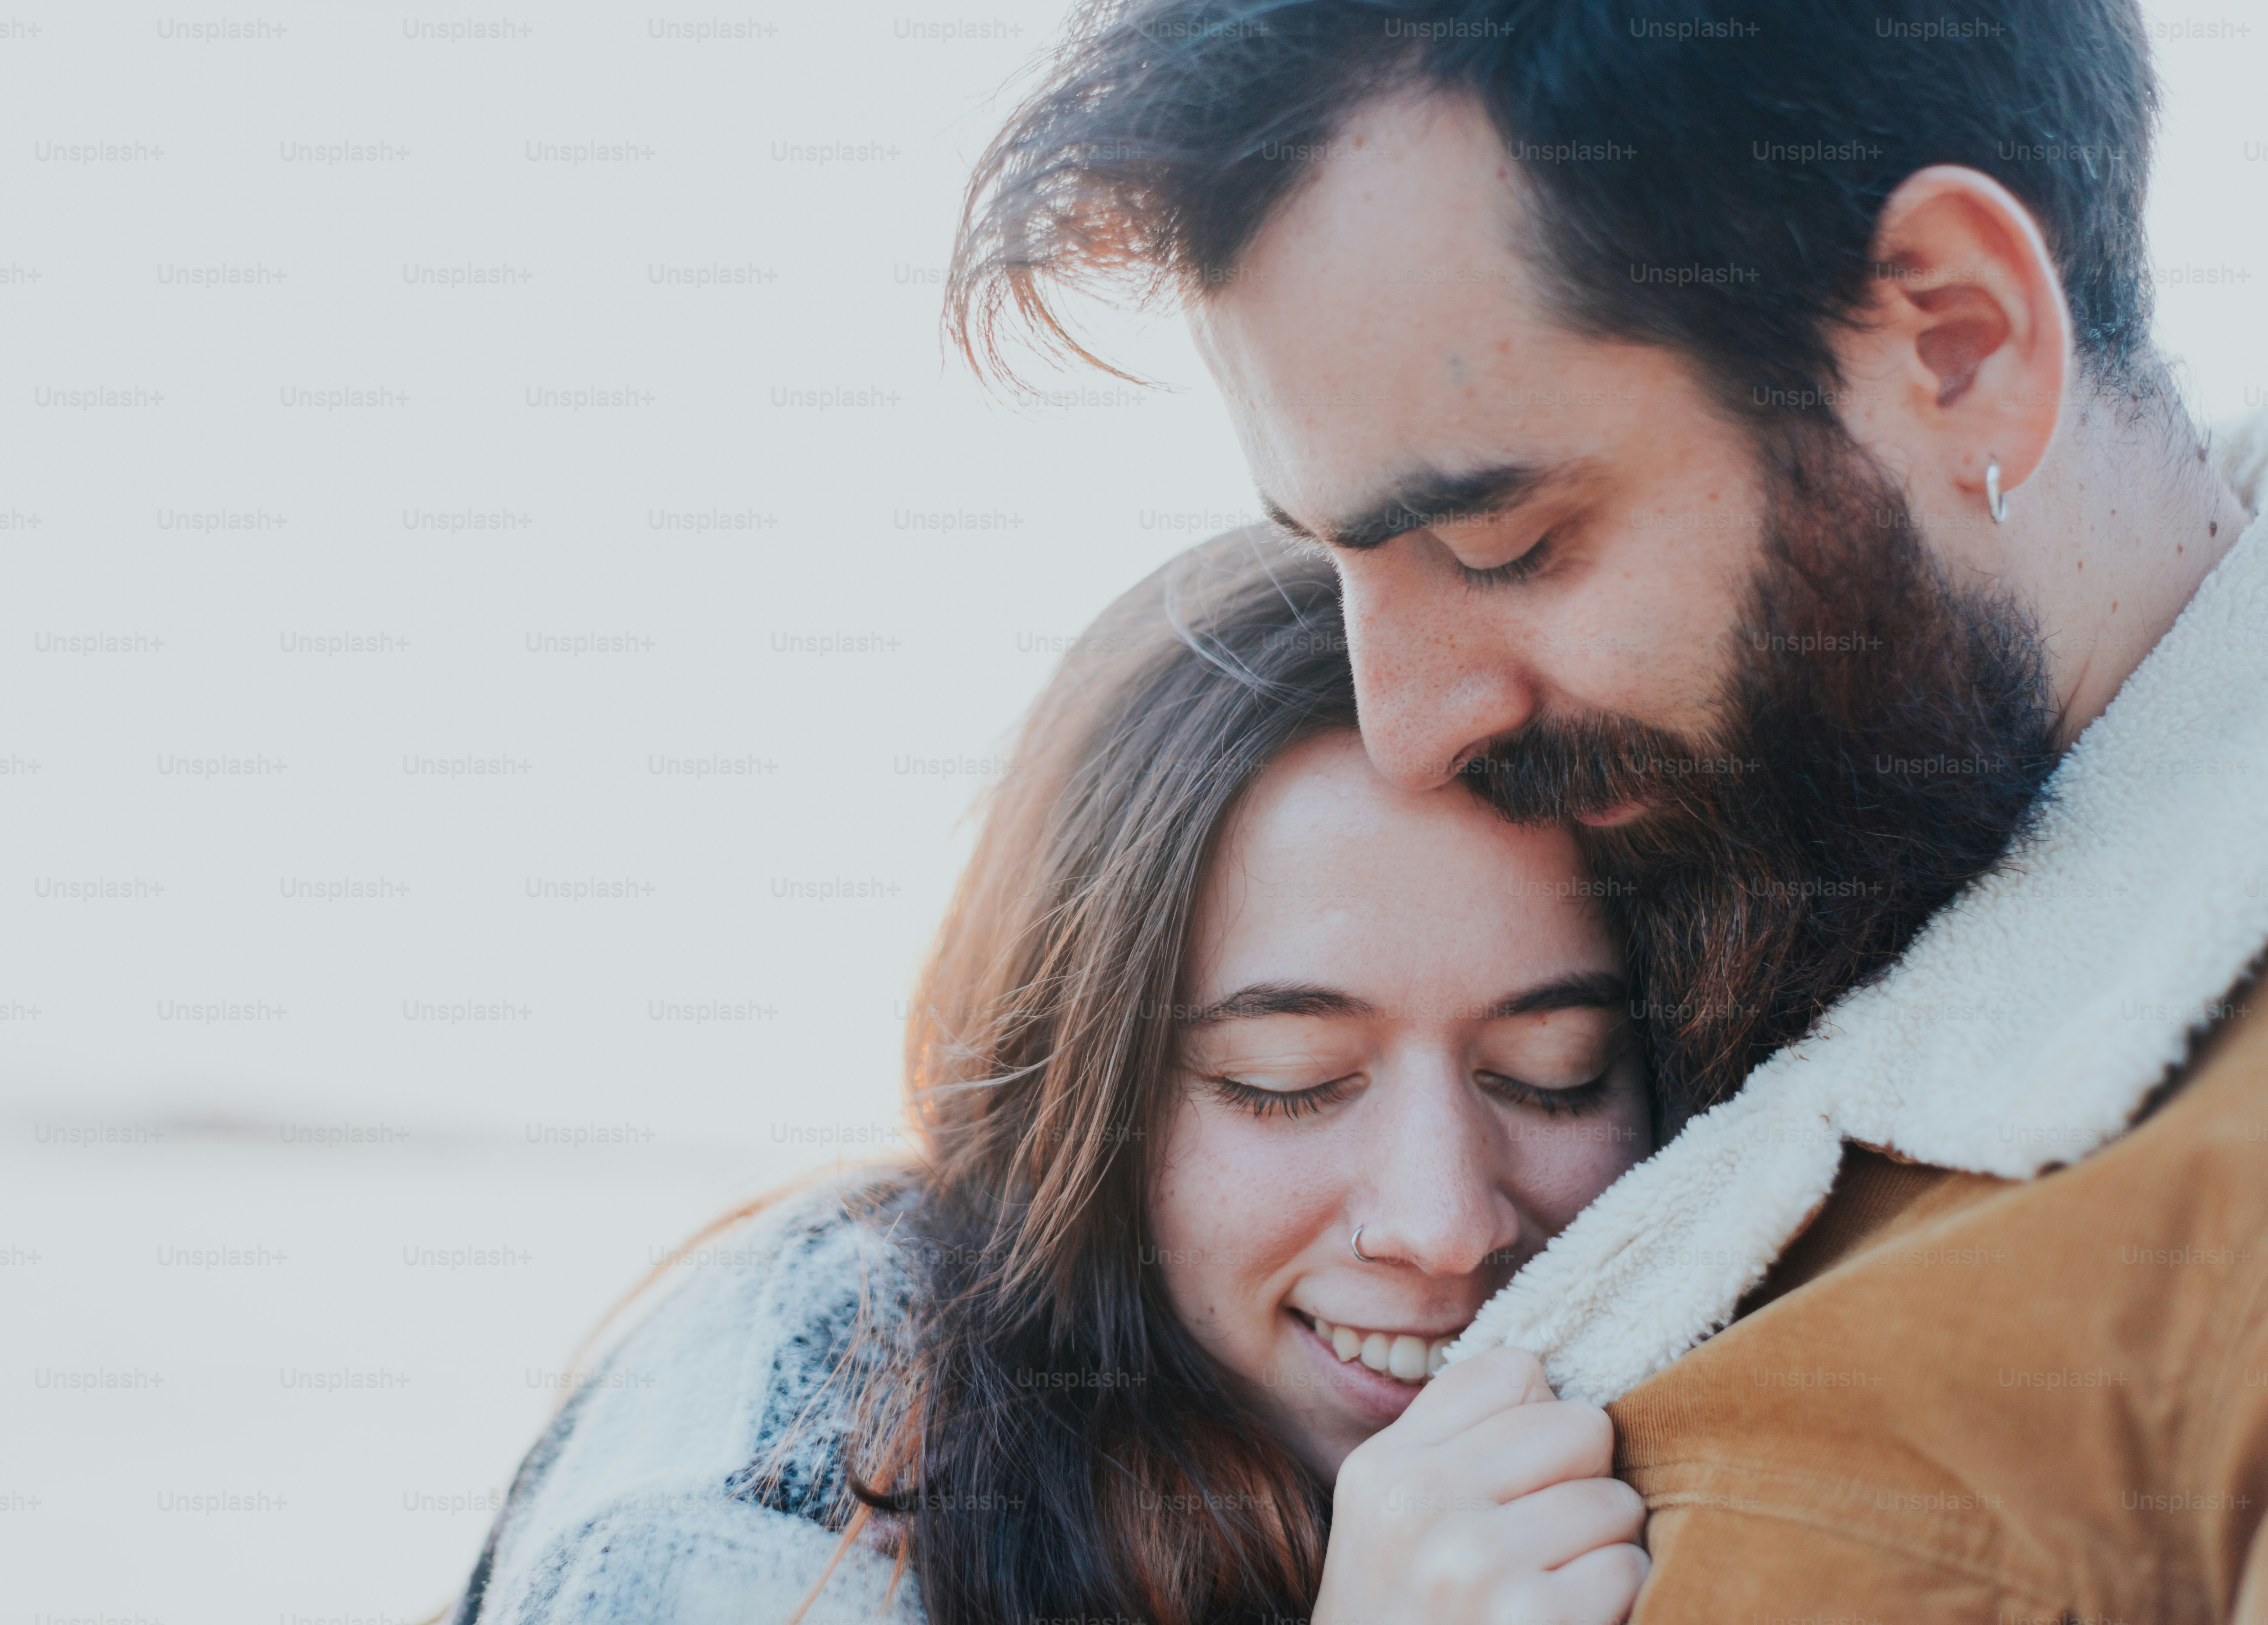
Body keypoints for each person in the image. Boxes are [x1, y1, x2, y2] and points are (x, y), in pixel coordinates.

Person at [946, 0, 2268, 1617]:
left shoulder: (2249, 1236)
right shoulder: (1793, 841)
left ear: (1960, 341)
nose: (1407, 733)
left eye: (1505, 546)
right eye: (1334, 557)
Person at [447, 537, 1658, 1623]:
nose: (1445, 1226)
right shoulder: (760, 1518)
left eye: (1555, 1074)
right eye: (1287, 1081)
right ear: (1072, 1090)